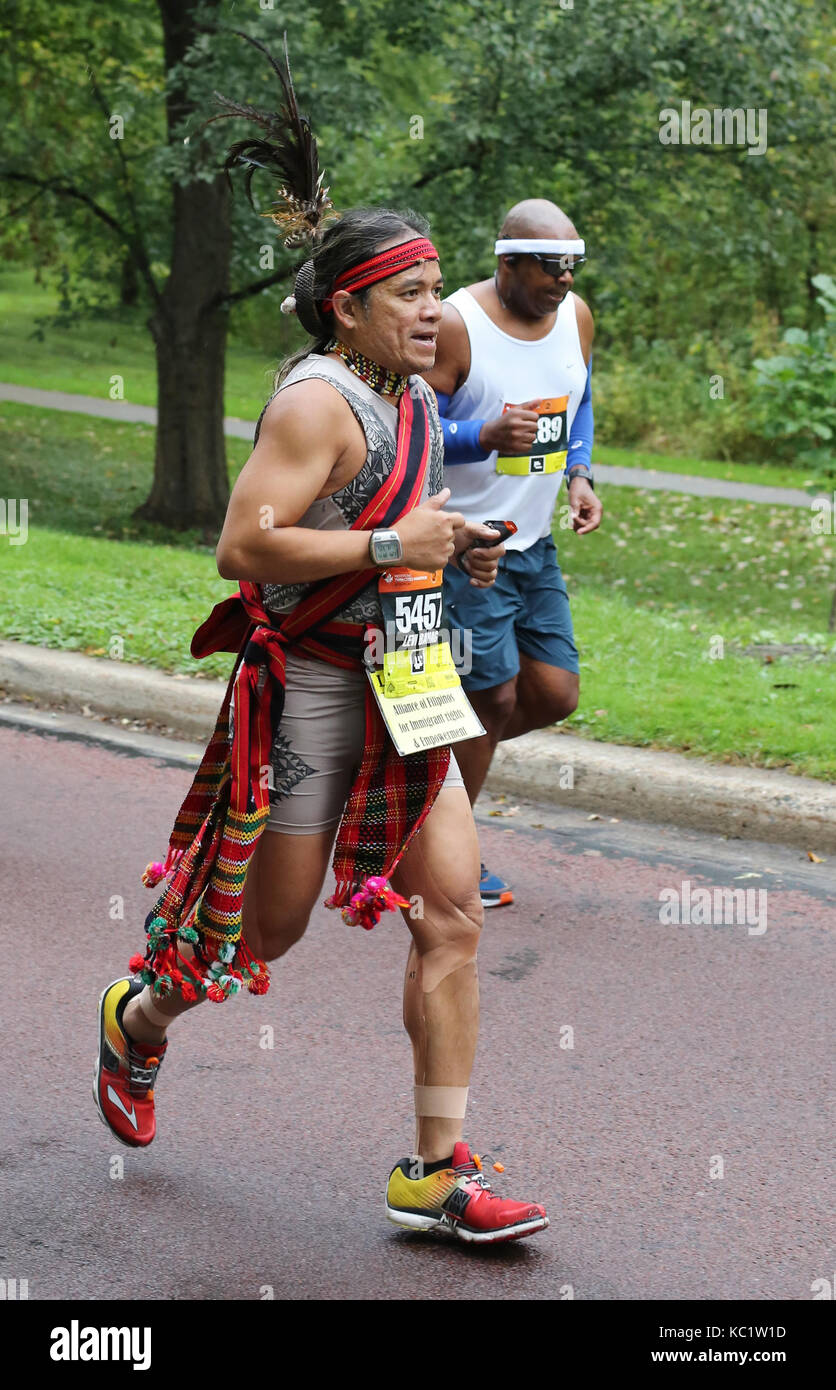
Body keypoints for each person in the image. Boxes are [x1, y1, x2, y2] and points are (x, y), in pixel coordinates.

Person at [91, 90, 550, 1243]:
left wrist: (452, 554)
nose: (434, 310)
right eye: (409, 293)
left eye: (435, 289)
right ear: (348, 309)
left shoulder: (402, 392)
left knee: (449, 916)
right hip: (313, 693)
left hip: (408, 679)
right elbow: (243, 546)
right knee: (265, 936)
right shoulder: (316, 399)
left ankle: (434, 1171)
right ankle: (140, 1019)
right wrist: (395, 545)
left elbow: (388, 522)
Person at [424, 198, 604, 908]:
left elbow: (580, 397)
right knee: (491, 694)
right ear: (507, 263)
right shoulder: (456, 326)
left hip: (534, 543)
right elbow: (410, 430)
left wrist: (581, 472)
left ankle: (417, 784)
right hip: (466, 545)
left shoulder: (576, 315)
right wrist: (482, 438)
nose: (563, 279)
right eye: (550, 266)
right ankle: (447, 847)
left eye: (572, 266)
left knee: (553, 692)